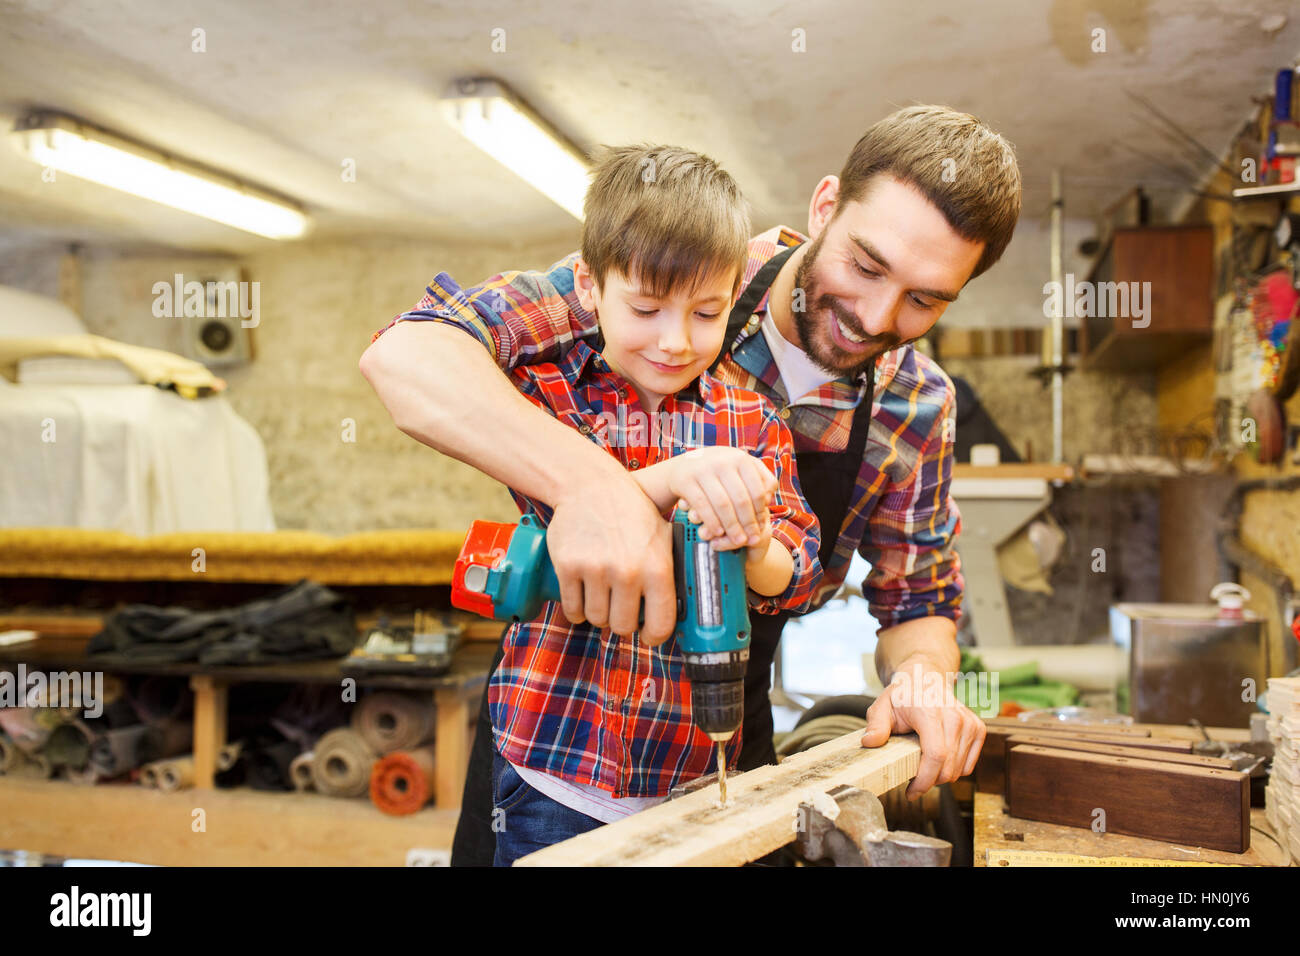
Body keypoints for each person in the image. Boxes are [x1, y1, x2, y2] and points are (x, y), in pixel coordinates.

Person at [360, 104, 1023, 865]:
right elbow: (409, 359)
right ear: (825, 206)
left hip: (719, 726)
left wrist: (925, 681)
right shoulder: (682, 265)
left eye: (925, 299)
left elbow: (920, 603)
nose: (875, 315)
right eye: (866, 267)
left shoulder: (918, 405)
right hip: (556, 722)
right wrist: (602, 491)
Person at [457, 144, 823, 864]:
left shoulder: (753, 423)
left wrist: (754, 543)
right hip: (551, 768)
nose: (677, 340)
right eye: (647, 308)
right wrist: (677, 477)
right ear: (589, 285)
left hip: (690, 775)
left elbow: (801, 576)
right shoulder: (550, 394)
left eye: (707, 311)